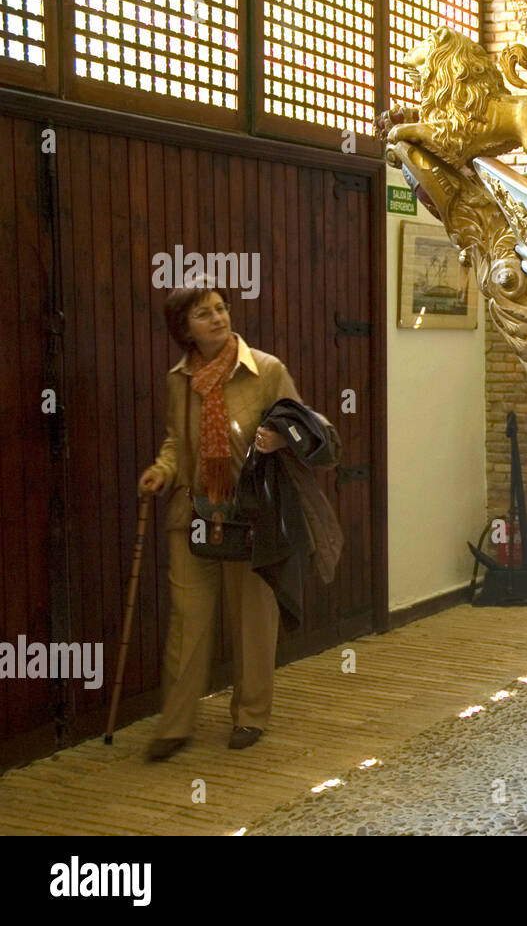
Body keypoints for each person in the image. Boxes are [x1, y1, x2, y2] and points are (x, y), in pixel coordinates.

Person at [137, 275, 338, 760]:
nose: (220, 318)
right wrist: (162, 470)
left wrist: (278, 437)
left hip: (251, 515)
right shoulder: (178, 378)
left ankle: (251, 715)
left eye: (222, 307)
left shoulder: (266, 370)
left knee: (252, 619)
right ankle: (176, 725)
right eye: (205, 313)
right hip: (194, 513)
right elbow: (175, 439)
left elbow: (307, 423)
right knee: (189, 622)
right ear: (185, 328)